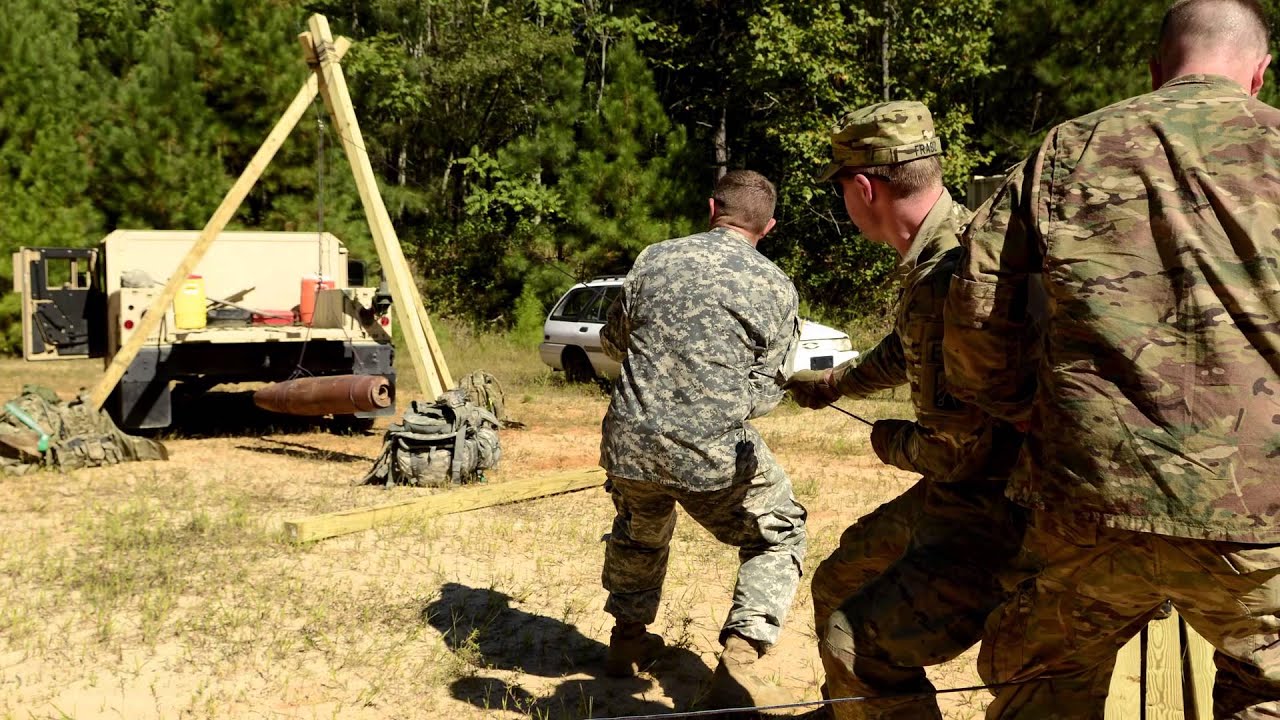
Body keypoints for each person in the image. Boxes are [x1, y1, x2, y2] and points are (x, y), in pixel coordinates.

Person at [942, 1, 1280, 716]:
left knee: (1045, 687)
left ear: (1156, 69)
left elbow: (975, 318)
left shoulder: (1067, 148)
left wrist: (1033, 415)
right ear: (1260, 74)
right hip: (1262, 522)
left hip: (1090, 504)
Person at [784, 101, 1024, 720]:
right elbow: (912, 351)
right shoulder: (953, 247)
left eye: (842, 190)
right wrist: (838, 381)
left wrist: (889, 442)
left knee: (851, 632)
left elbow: (956, 452)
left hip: (994, 514)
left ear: (864, 189)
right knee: (841, 577)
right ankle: (855, 709)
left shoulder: (950, 272)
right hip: (966, 496)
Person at [598, 169, 807, 709]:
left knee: (641, 529)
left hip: (628, 441)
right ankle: (738, 663)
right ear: (770, 227)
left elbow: (614, 337)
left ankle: (624, 645)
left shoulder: (654, 258)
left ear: (713, 208)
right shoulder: (776, 285)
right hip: (711, 453)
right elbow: (766, 391)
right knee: (779, 531)